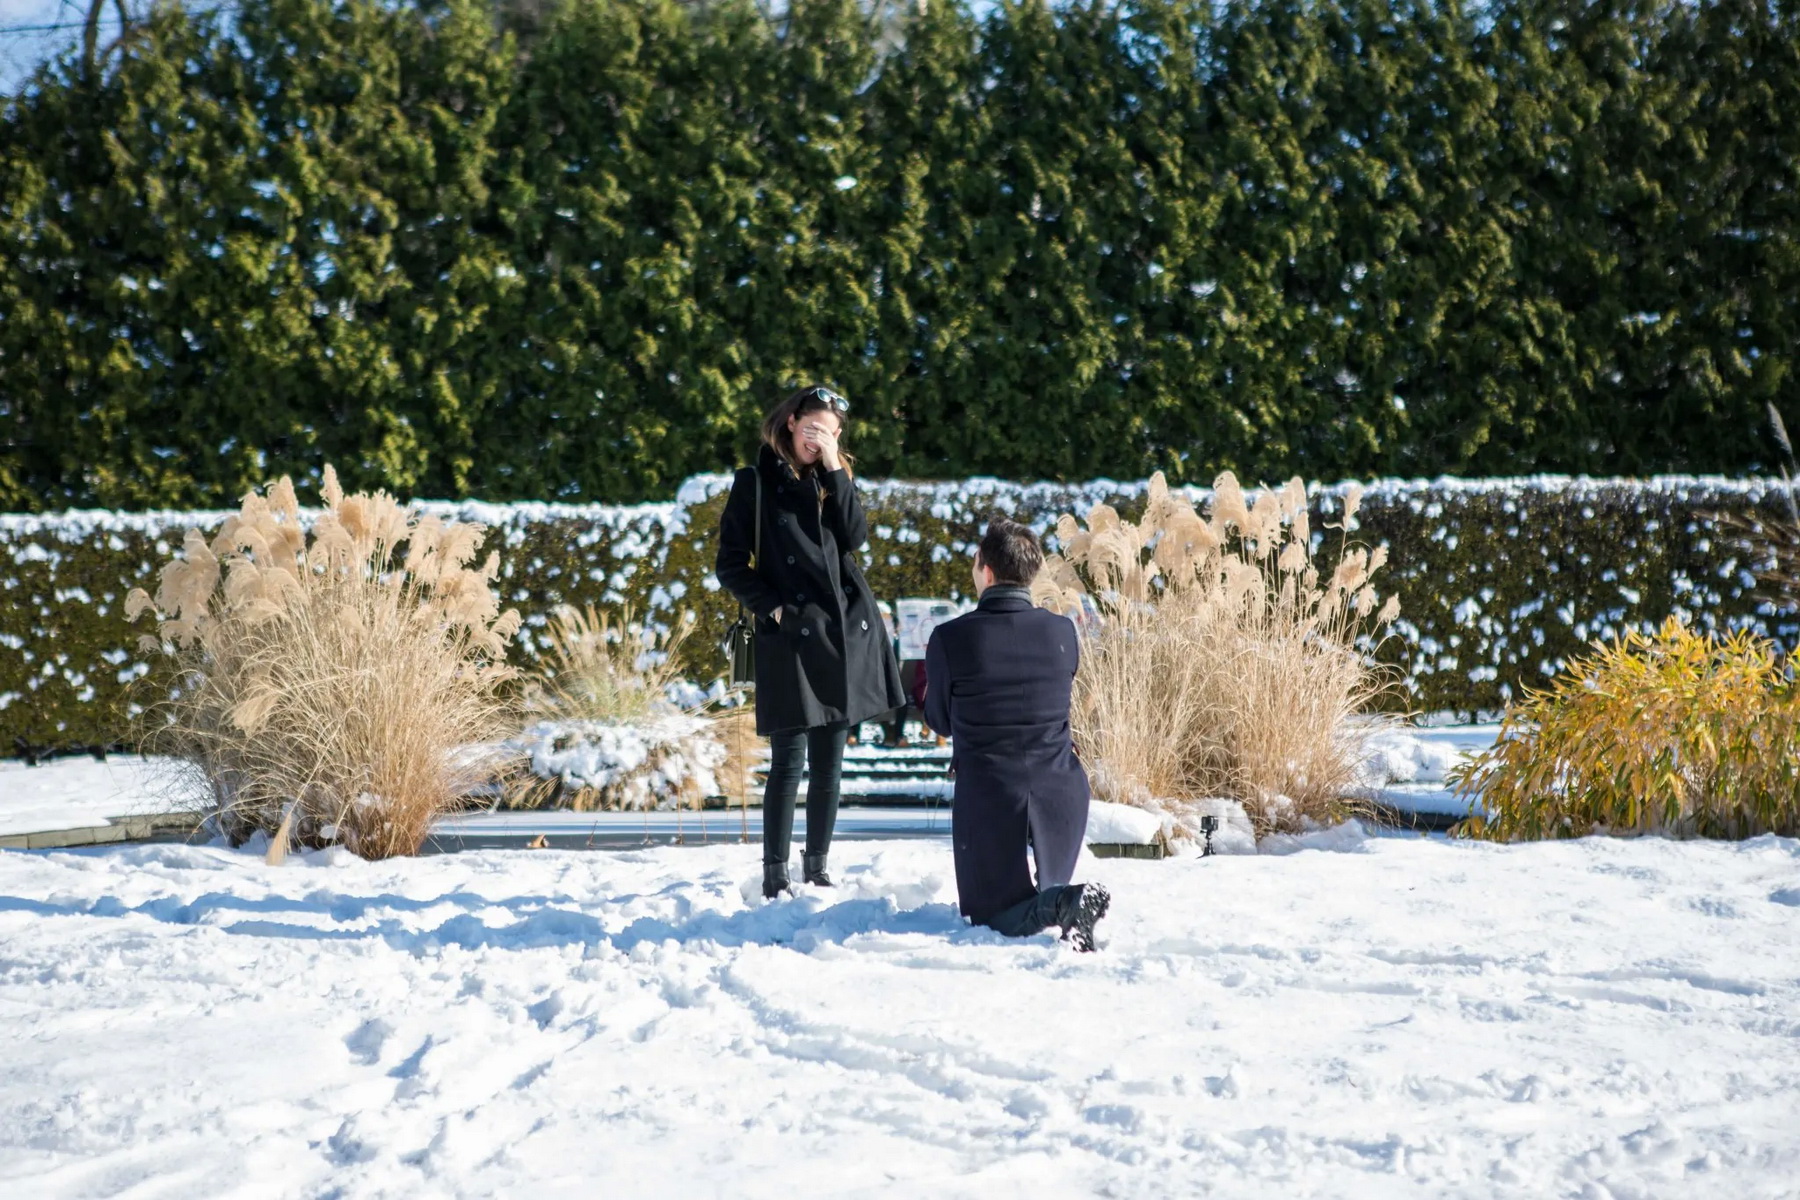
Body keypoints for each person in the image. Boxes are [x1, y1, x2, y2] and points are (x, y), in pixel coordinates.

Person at [716, 385, 906, 899]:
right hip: (789, 635)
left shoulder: (832, 479)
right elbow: (730, 565)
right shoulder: (754, 482)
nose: (816, 439)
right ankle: (775, 873)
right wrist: (776, 608)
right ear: (791, 422)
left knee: (829, 766)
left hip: (841, 630)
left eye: (828, 433)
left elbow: (855, 537)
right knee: (787, 763)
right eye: (811, 428)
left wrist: (835, 467)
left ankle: (817, 866)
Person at [924, 517, 1110, 950]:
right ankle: (1061, 901)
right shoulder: (1062, 631)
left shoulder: (950, 638)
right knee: (1025, 900)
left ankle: (1064, 904)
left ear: (986, 572)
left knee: (992, 919)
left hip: (990, 794)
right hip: (1061, 788)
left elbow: (940, 721)